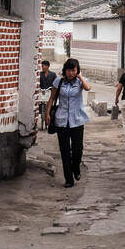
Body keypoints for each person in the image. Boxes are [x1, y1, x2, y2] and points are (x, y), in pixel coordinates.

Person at [46, 58, 90, 188]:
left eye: (73, 70)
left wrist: (80, 76)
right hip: (61, 120)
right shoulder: (58, 81)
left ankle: (76, 167)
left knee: (78, 149)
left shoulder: (80, 82)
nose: (70, 73)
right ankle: (69, 179)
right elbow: (52, 98)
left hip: (77, 121)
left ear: (77, 71)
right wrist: (47, 113)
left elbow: (88, 88)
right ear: (65, 70)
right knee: (64, 151)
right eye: (68, 70)